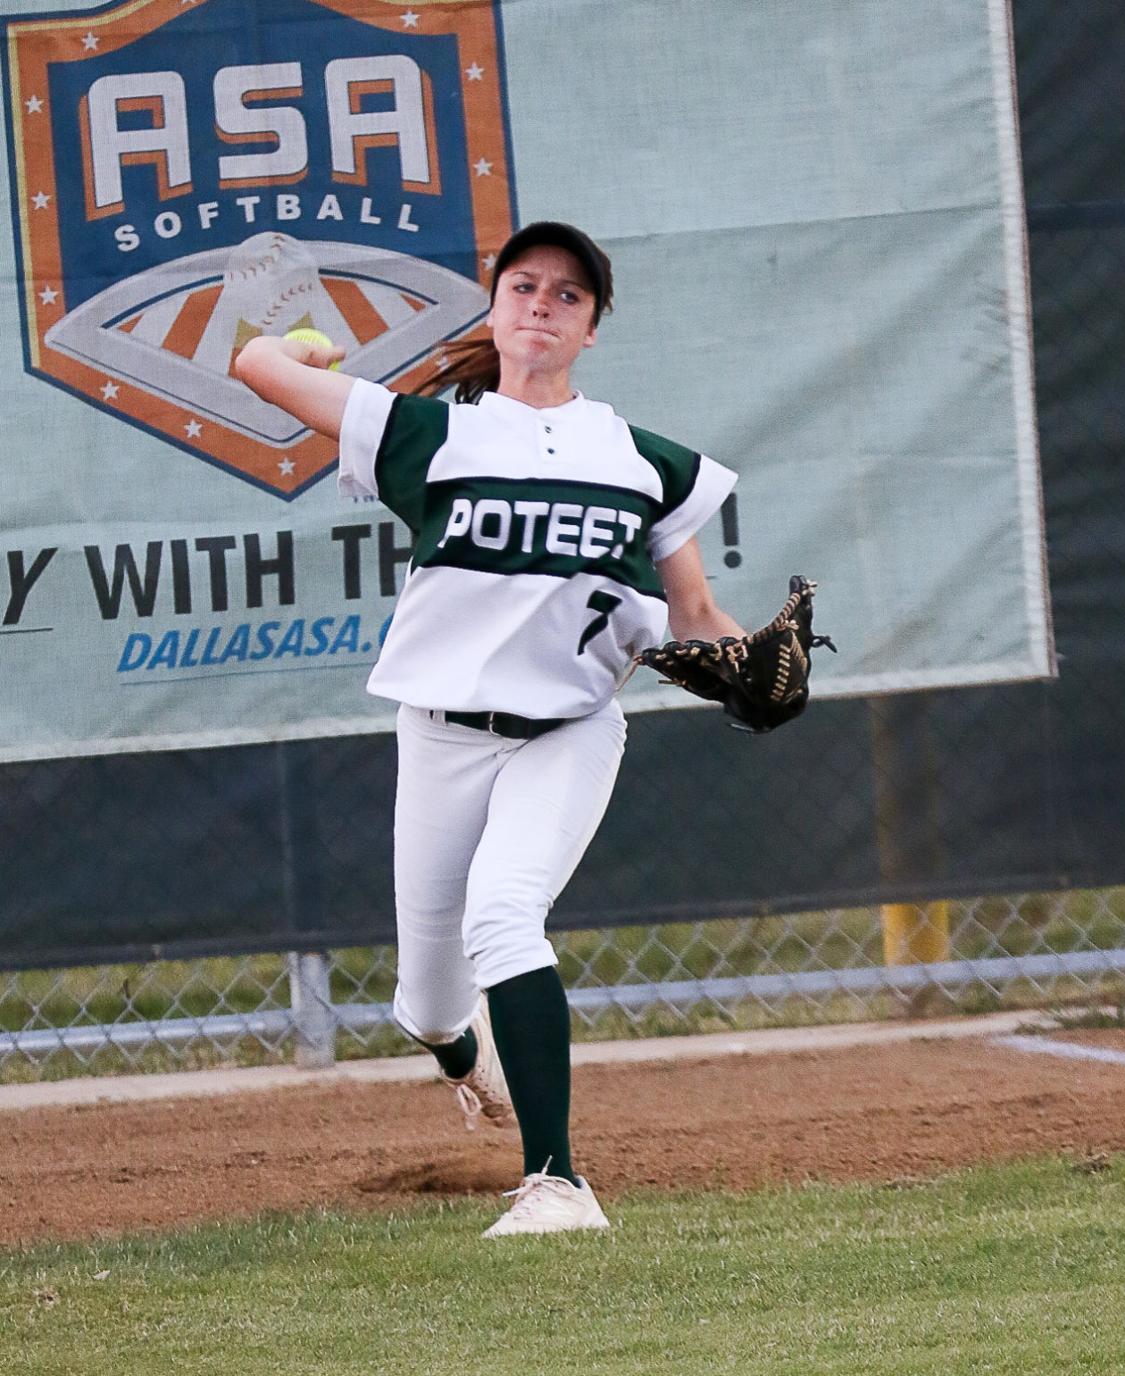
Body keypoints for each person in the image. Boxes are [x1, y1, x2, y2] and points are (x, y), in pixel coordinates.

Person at [235, 222, 744, 1237]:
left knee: (504, 914)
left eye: (567, 295)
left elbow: (695, 614)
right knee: (426, 1003)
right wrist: (291, 345)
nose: (542, 306)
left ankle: (557, 1184)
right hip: (442, 735)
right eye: (525, 287)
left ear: (592, 327)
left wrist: (756, 670)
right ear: (495, 307)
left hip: (570, 726)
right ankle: (473, 1061)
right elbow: (254, 364)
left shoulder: (643, 459)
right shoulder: (431, 432)